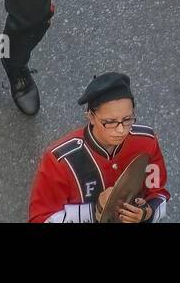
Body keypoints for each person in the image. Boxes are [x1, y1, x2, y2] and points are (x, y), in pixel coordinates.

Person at [28, 72, 170, 223]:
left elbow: (158, 192)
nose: (121, 130)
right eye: (110, 122)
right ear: (90, 117)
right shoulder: (59, 160)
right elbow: (40, 219)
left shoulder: (147, 142)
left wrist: (147, 213)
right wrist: (94, 210)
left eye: (128, 119)